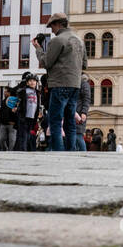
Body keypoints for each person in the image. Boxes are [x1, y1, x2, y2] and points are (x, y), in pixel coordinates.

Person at [35, 13, 86, 152]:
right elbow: (85, 64)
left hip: (59, 84)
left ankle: (59, 153)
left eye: (51, 26)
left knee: (56, 121)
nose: (51, 30)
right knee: (70, 122)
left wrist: (38, 49)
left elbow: (46, 62)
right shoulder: (79, 41)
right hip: (75, 85)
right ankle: (71, 152)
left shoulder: (57, 41)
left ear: (57, 24)